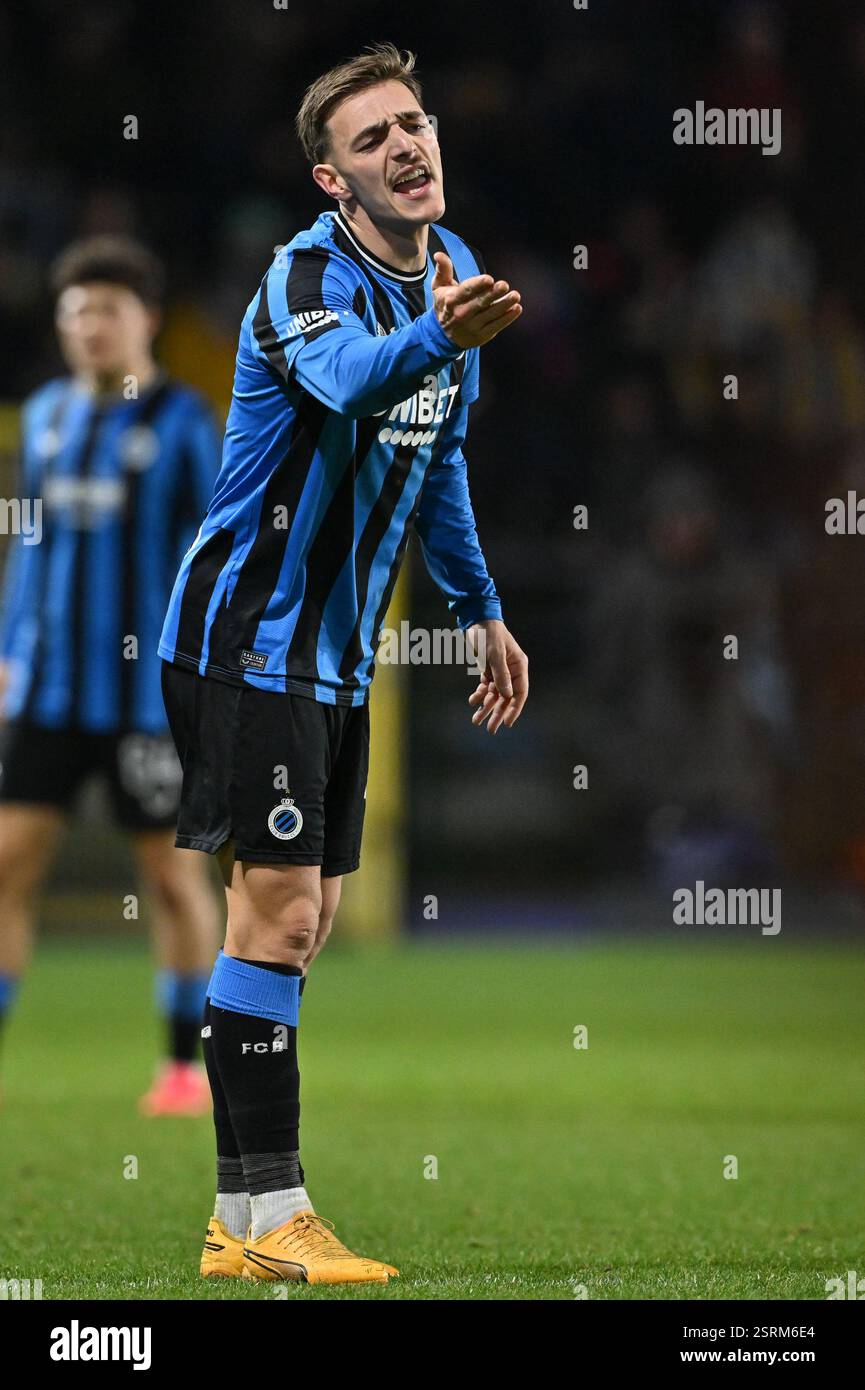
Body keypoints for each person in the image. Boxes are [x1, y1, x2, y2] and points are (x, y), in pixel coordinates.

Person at [159, 42, 529, 1285]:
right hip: (245, 633)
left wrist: (480, 608)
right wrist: (434, 333)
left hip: (329, 658)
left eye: (414, 123)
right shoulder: (304, 276)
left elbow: (439, 459)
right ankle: (276, 1216)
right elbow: (352, 379)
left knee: (291, 927)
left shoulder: (457, 270)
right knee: (282, 911)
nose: (407, 147)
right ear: (332, 178)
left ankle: (240, 1222)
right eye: (372, 139)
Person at [0, 236, 222, 1116]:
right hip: (49, 694)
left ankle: (184, 1066)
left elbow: (217, 549)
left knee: (170, 879)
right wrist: (10, 654)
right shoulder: (48, 415)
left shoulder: (183, 423)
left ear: (147, 321)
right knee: (7, 866)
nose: (91, 327)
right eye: (77, 313)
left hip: (147, 703)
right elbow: (30, 550)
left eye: (108, 311)